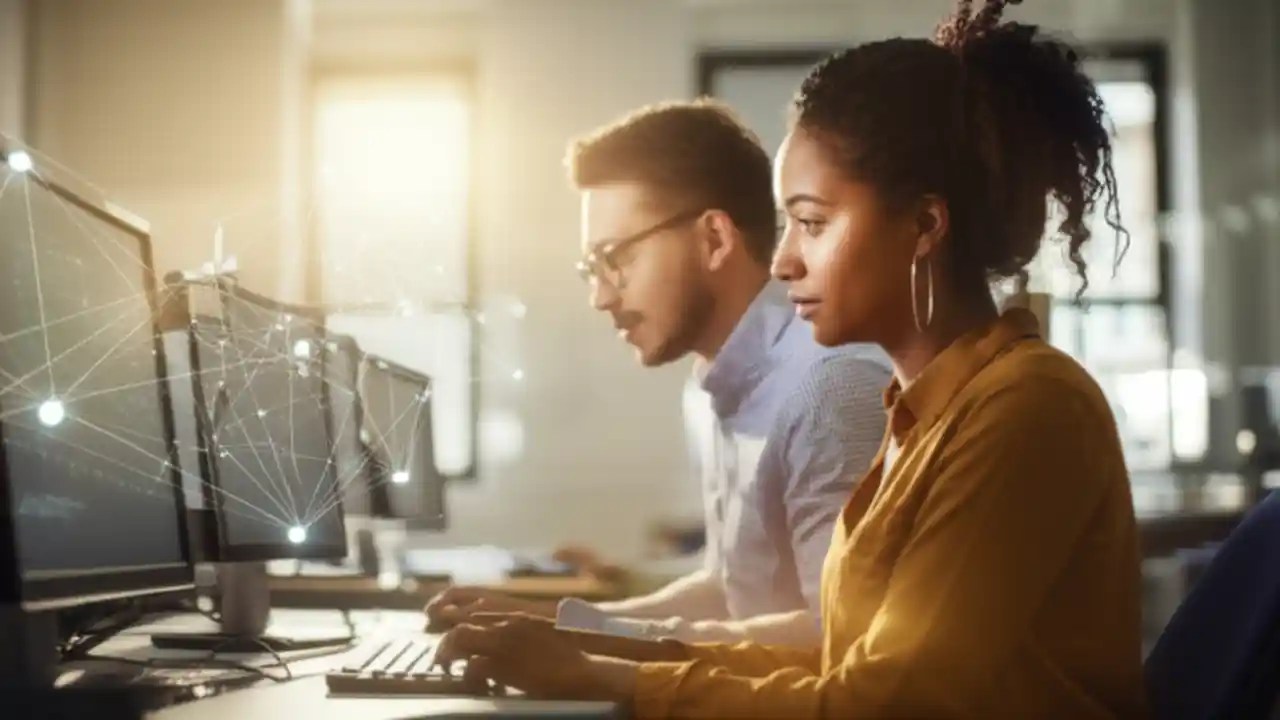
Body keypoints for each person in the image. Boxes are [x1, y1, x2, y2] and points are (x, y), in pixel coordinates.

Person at [432, 1, 1149, 717]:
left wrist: (612, 676)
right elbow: (840, 653)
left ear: (924, 225)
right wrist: (590, 647)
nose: (781, 263)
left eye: (812, 223)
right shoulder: (918, 413)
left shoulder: (1026, 406)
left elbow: (885, 702)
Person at [425, 100, 890, 648]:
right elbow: (727, 589)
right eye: (590, 270)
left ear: (714, 240)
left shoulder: (829, 389)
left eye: (615, 257)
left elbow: (836, 636)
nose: (600, 296)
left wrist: (590, 639)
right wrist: (558, 622)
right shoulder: (708, 389)